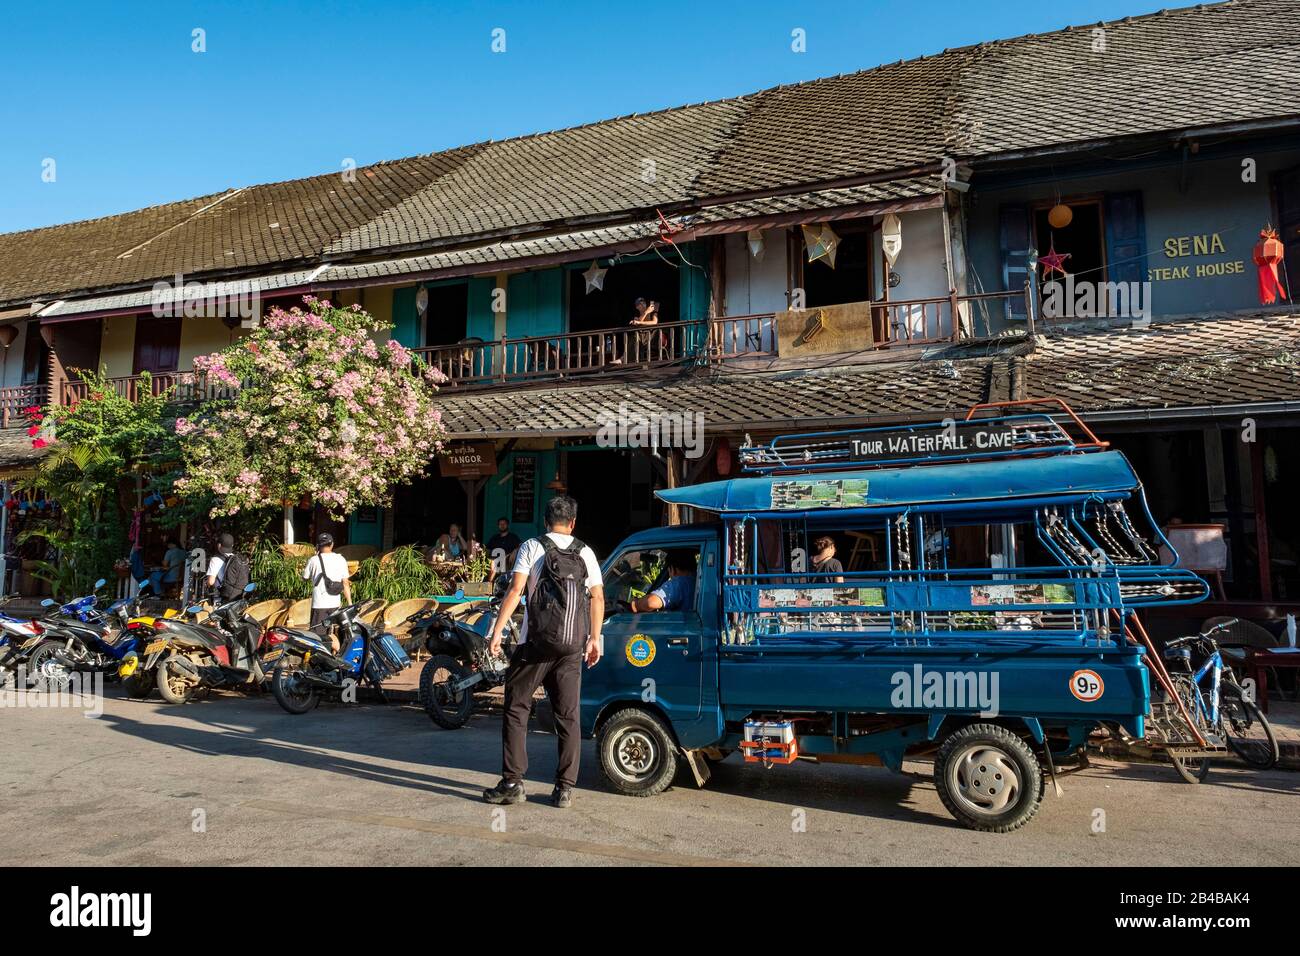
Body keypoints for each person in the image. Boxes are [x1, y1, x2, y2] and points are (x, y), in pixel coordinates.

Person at [484, 495, 603, 809]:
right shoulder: (586, 552)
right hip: (572, 646)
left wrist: (497, 631)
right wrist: (594, 639)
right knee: (568, 716)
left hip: (535, 644)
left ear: (546, 520)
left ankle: (512, 782)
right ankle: (564, 788)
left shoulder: (532, 547)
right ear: (573, 522)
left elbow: (515, 591)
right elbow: (598, 598)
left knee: (517, 707)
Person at [302, 532, 352, 649]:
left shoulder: (313, 560)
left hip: (319, 605)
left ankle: (322, 659)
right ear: (332, 544)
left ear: (318, 545)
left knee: (318, 636)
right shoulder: (340, 559)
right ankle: (338, 655)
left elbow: (304, 578)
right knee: (334, 632)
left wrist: (315, 555)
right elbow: (345, 583)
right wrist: (349, 602)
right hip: (335, 605)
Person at [630, 549, 696, 612]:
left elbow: (650, 602)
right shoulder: (698, 582)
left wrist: (635, 604)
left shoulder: (679, 582)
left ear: (672, 569)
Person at [204, 532, 250, 602]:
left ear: (219, 545)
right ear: (232, 545)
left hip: (224, 595)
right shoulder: (236, 558)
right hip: (240, 593)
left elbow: (211, 582)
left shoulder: (215, 559)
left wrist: (206, 583)